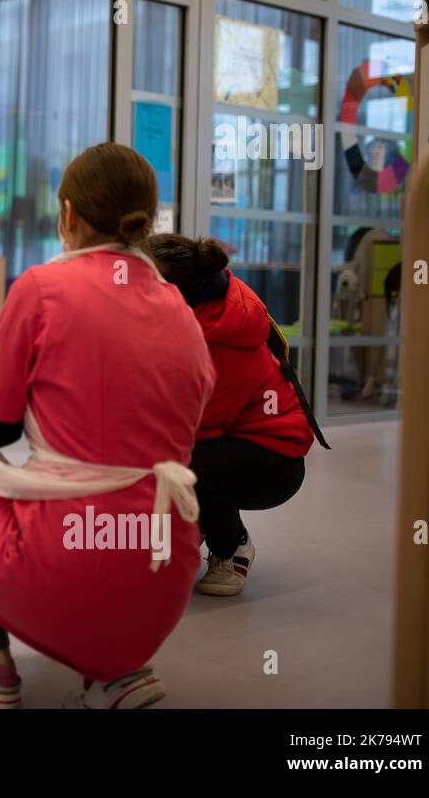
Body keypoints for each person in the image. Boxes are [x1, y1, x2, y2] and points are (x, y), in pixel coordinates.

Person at [0, 143, 214, 708]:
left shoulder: (43, 289)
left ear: (68, 216)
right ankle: (120, 673)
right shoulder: (177, 304)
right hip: (165, 566)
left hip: (61, 571)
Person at [141, 234, 323, 596]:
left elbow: (196, 427)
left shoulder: (217, 340)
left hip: (273, 461)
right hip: (232, 440)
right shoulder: (202, 306)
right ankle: (192, 530)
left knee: (175, 462)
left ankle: (232, 547)